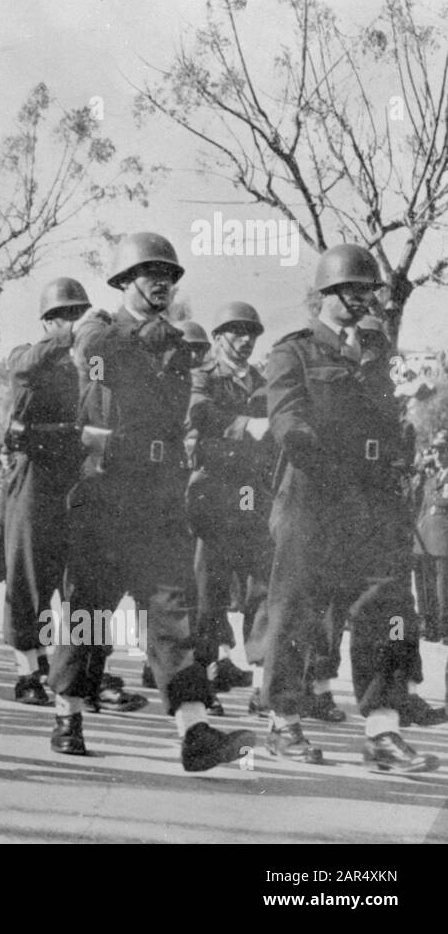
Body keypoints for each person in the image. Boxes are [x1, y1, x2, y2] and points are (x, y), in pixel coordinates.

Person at [50, 232, 255, 771]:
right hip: (106, 486)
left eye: (169, 275)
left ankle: (193, 729)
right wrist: (149, 333)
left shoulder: (177, 342)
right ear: (124, 281)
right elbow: (92, 355)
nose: (162, 282)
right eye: (150, 273)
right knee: (89, 608)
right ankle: (68, 712)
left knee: (171, 612)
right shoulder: (101, 327)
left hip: (160, 491)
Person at [261, 244, 437, 770]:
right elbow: (287, 419)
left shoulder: (378, 351)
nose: (364, 299)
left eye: (369, 290)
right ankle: (284, 722)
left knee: (384, 608)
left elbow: (388, 422)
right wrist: (318, 449)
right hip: (313, 497)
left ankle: (382, 730)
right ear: (328, 294)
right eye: (355, 290)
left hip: (372, 501)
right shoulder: (292, 352)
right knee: (297, 610)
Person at [3, 278, 92, 707]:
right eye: (65, 316)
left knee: (78, 577)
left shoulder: (88, 363)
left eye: (79, 315)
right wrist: (65, 343)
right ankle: (28, 670)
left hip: (76, 473)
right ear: (49, 320)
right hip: (34, 471)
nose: (74, 324)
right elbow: (20, 368)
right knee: (31, 577)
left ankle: (76, 671)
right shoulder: (31, 354)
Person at [184, 301, 271, 716]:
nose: (246, 340)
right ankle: (203, 684)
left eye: (251, 333)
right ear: (218, 337)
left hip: (252, 494)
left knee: (260, 589)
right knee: (208, 592)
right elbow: (197, 414)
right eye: (237, 332)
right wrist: (245, 426)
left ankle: (263, 684)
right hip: (214, 493)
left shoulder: (261, 379)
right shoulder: (202, 377)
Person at [413, 430, 448, 644]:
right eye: (435, 450)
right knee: (424, 584)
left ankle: (444, 627)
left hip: (443, 539)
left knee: (442, 586)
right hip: (424, 537)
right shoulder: (430, 475)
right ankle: (429, 624)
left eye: (443, 450)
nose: (438, 454)